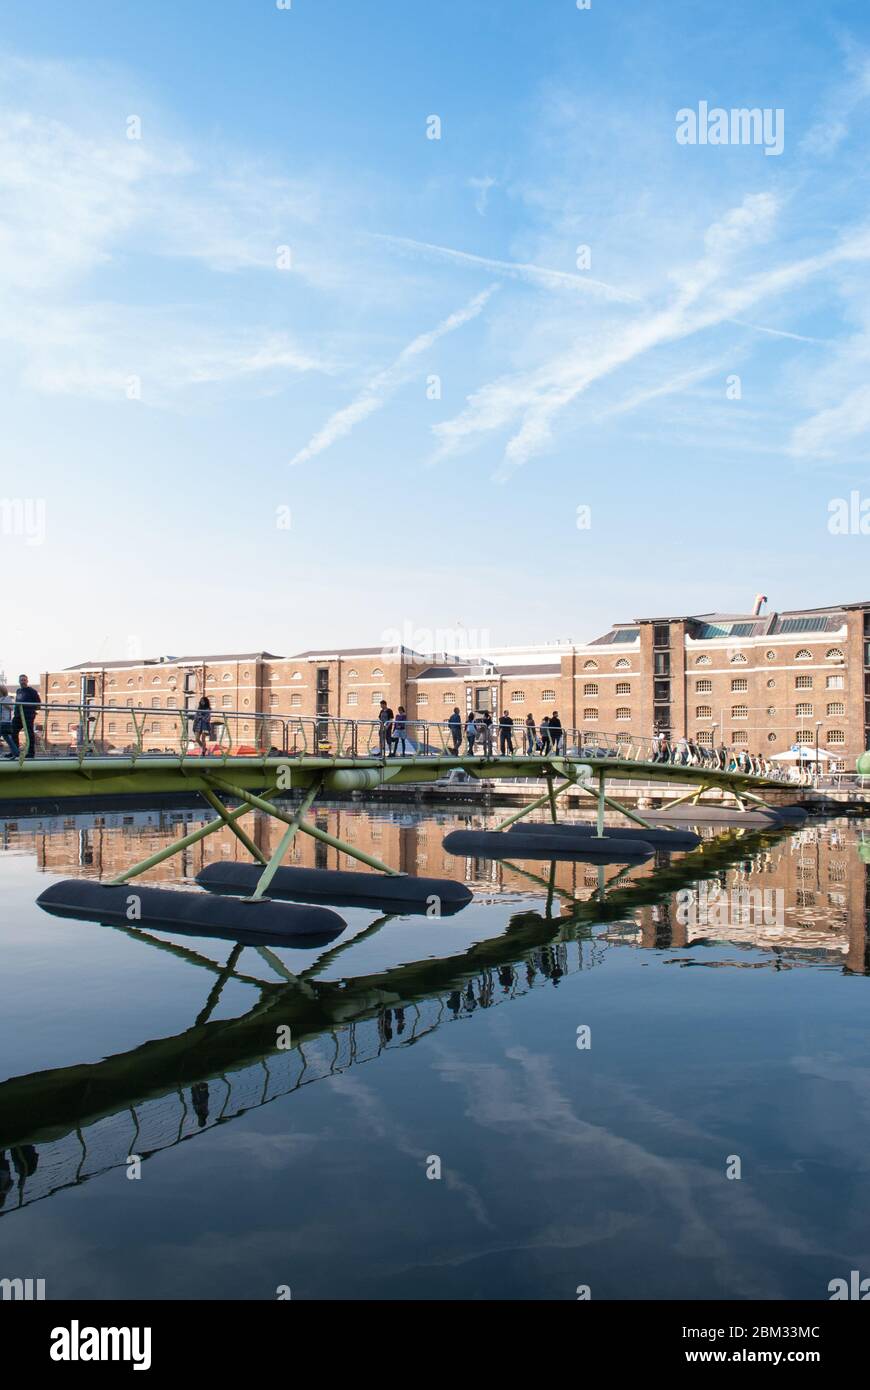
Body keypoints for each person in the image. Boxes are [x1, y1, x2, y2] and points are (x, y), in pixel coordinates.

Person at [12, 675, 41, 759]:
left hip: (28, 715)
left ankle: (31, 753)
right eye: (21, 680)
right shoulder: (18, 691)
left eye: (24, 680)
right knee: (13, 732)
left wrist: (32, 713)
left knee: (29, 733)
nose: (23, 681)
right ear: (19, 681)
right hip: (18, 716)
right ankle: (15, 752)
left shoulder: (32, 691)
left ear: (27, 681)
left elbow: (38, 704)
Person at [0, 685, 16, 758]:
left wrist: (4, 704)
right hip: (1, 721)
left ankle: (16, 752)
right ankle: (16, 752)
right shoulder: (0, 698)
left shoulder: (7, 698)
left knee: (7, 738)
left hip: (5, 721)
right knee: (7, 738)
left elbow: (12, 708)